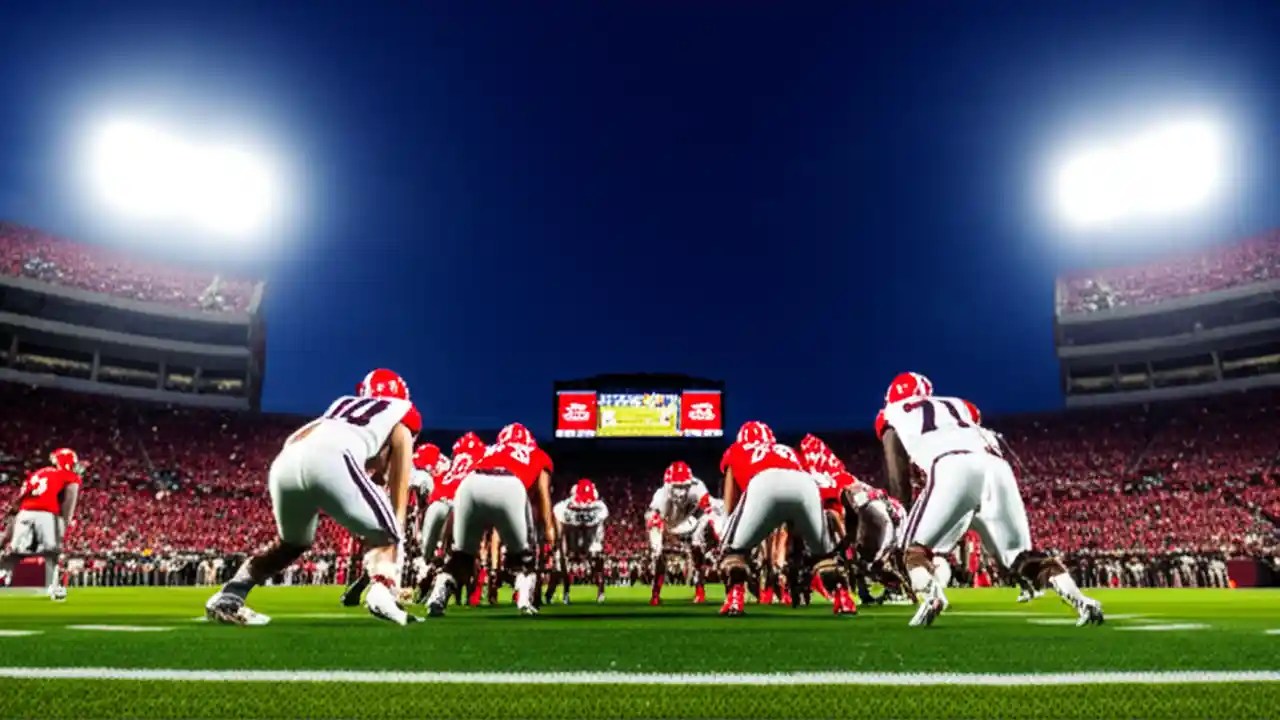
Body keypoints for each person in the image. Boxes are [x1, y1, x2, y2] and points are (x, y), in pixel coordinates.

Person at [876, 371, 1104, 627]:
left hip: (951, 466)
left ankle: (932, 596)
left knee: (912, 552)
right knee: (1021, 557)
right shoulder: (958, 404)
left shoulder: (893, 412)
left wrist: (902, 505)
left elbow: (898, 470)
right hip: (997, 468)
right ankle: (1082, 601)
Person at [205, 369, 421, 626]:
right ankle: (382, 592)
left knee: (292, 544)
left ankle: (231, 594)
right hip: (332, 460)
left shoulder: (342, 405)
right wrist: (396, 530)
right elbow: (399, 477)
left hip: (286, 461)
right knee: (390, 532)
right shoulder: (401, 412)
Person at [717, 421, 853, 616]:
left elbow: (730, 502)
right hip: (805, 485)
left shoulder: (736, 449)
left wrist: (731, 530)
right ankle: (843, 598)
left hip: (763, 483)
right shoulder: (786, 450)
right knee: (825, 555)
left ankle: (735, 598)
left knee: (733, 550)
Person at [426, 422, 554, 616]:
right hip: (510, 485)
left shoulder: (488, 450)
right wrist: (549, 527)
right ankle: (525, 601)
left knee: (463, 556)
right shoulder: (536, 454)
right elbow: (543, 494)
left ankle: (438, 595)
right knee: (524, 558)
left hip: (470, 485)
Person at [1, 448, 83, 600]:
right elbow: (69, 500)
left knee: (15, 553)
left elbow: (20, 498)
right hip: (44, 513)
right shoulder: (69, 476)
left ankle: (2, 573)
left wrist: (9, 527)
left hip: (24, 512)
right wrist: (64, 524)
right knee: (52, 553)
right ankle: (54, 588)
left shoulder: (39, 473)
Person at [646, 460, 711, 605]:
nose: (680, 492)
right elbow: (654, 520)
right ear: (668, 485)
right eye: (676, 487)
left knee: (698, 547)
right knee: (658, 555)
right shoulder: (661, 496)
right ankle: (655, 593)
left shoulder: (697, 487)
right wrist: (667, 539)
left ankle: (700, 589)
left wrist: (697, 533)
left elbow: (706, 508)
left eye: (684, 487)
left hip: (690, 519)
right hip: (667, 523)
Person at [547, 478, 609, 604]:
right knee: (560, 563)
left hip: (590, 533)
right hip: (570, 532)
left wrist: (595, 545)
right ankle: (556, 593)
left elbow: (599, 528)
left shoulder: (600, 508)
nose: (585, 504)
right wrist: (560, 543)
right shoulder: (563, 508)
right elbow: (559, 525)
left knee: (597, 559)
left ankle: (601, 592)